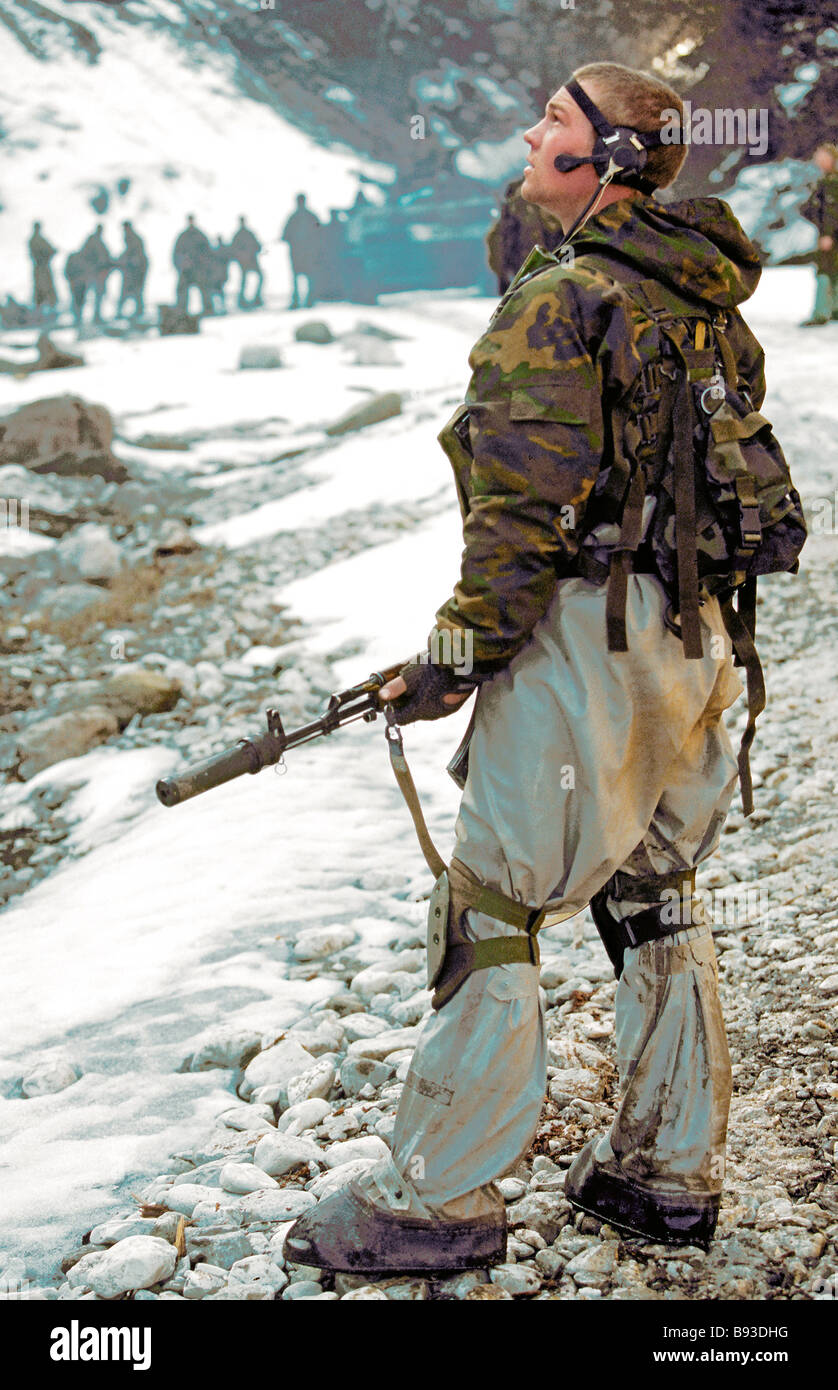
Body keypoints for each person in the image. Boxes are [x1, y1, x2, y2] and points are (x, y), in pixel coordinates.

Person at [286, 61, 776, 1273]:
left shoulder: (559, 301)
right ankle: (665, 1172)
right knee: (655, 895)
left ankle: (434, 1200)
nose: (527, 130)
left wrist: (451, 661)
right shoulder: (703, 299)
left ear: (601, 161)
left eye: (553, 119)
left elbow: (517, 524)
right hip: (698, 641)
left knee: (494, 906)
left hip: (583, 648)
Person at [486, 176, 565, 292]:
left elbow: (496, 242)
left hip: (529, 270)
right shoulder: (541, 193)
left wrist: (502, 277)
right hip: (546, 269)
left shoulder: (514, 202)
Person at [800, 142, 838, 326]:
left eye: (822, 155)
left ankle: (821, 312)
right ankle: (834, 310)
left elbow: (830, 211)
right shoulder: (826, 180)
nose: (818, 158)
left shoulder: (831, 181)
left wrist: (827, 234)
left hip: (831, 236)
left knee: (824, 271)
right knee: (833, 271)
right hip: (832, 235)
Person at [281, 193, 321, 308]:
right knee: (307, 276)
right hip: (304, 252)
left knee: (302, 277)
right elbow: (320, 229)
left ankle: (300, 301)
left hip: (303, 252)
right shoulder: (310, 216)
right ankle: (306, 300)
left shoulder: (296, 217)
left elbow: (319, 229)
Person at [172, 215, 213, 316]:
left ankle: (208, 309)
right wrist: (180, 266)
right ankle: (181, 310)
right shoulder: (183, 236)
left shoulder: (200, 235)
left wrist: (204, 265)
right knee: (181, 290)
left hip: (199, 269)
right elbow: (176, 253)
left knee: (205, 289)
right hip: (186, 270)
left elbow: (208, 253)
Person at [78, 224, 114, 324]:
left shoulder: (98, 242)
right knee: (89, 295)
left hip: (97, 274)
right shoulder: (93, 242)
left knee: (97, 295)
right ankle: (81, 316)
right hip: (92, 273)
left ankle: (95, 316)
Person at [228, 216, 264, 308]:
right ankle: (242, 300)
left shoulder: (248, 234)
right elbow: (233, 250)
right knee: (244, 280)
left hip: (251, 260)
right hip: (244, 262)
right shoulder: (239, 235)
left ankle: (256, 298)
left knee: (259, 277)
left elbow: (257, 245)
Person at [116, 220, 148, 320]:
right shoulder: (130, 238)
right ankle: (123, 312)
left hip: (137, 270)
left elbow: (136, 254)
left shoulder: (134, 238)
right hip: (132, 269)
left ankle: (139, 312)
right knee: (130, 291)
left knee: (135, 290)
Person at [28, 222, 58, 315]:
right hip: (41, 268)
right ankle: (42, 310)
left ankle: (45, 309)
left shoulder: (36, 240)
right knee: (42, 288)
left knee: (44, 288)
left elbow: (50, 249)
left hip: (42, 267)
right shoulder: (35, 240)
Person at [64, 248, 88, 334]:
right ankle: (76, 319)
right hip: (76, 285)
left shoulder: (82, 261)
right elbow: (67, 273)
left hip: (81, 284)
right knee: (76, 303)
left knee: (80, 303)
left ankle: (78, 319)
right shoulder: (74, 261)